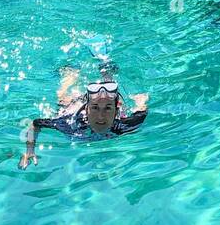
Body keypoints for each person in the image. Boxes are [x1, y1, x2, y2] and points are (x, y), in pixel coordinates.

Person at [18, 70, 149, 167]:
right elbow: (35, 124)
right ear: (87, 109)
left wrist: (141, 102)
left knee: (108, 85)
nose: (101, 116)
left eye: (108, 109)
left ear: (116, 111)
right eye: (95, 108)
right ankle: (69, 74)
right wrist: (29, 150)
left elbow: (141, 112)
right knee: (63, 99)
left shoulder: (124, 126)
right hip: (72, 110)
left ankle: (106, 71)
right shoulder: (69, 125)